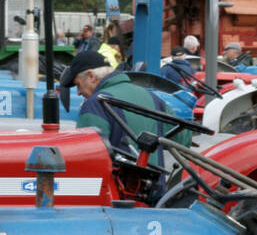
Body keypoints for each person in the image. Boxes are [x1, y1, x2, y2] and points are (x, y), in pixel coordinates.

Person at [59, 50, 192, 156]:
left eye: (78, 85)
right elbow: (184, 140)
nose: (78, 92)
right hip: (156, 188)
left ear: (91, 76)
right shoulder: (153, 98)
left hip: (117, 188)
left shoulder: (95, 105)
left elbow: (86, 156)